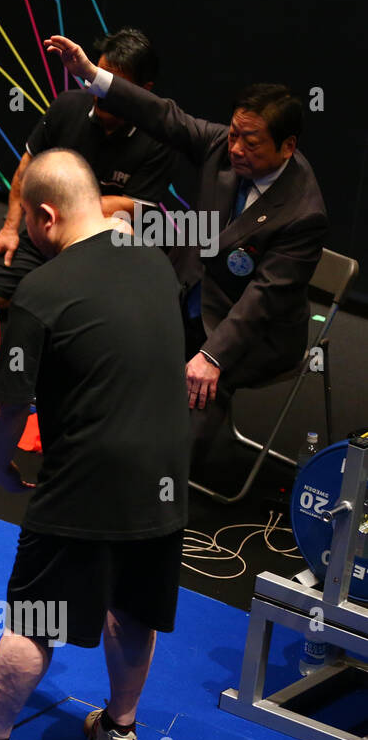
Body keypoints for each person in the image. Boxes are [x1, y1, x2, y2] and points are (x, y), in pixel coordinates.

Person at [0, 150, 190, 740]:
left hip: (86, 477)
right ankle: (119, 730)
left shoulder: (43, 290)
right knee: (133, 607)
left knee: (38, 614)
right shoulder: (155, 263)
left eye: (28, 221)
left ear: (45, 215)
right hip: (168, 471)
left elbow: (8, 401)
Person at [45, 34, 328, 472]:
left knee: (197, 387)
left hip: (255, 331)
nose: (235, 148)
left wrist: (212, 356)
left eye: (250, 142)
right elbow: (162, 115)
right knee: (126, 339)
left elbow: (264, 298)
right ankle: (97, 447)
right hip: (195, 289)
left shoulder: (303, 214)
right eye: (233, 134)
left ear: (287, 147)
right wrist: (90, 75)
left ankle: (159, 487)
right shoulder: (223, 148)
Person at [0, 28, 176, 310]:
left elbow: (129, 207)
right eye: (97, 77)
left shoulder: (159, 138)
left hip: (99, 253)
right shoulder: (66, 106)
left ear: (143, 90)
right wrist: (10, 229)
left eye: (113, 84)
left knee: (62, 319)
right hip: (41, 235)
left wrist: (57, 200)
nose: (100, 92)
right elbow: (26, 173)